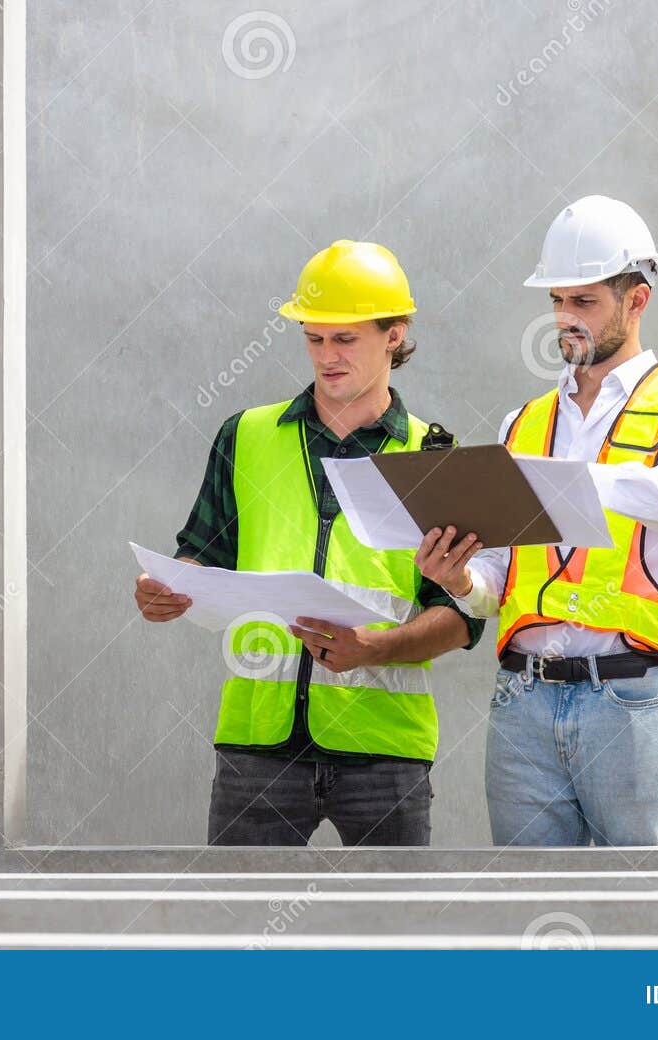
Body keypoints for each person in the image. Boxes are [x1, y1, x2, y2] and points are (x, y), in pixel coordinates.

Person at [134, 239, 484, 847]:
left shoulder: (433, 460)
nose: (327, 356)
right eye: (314, 338)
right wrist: (169, 587)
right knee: (240, 935)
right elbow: (201, 553)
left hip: (384, 749)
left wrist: (376, 648)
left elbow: (462, 619)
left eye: (345, 339)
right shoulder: (246, 436)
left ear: (395, 335)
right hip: (256, 748)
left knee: (391, 934)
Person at [418, 196, 658, 847]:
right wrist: (457, 581)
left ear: (637, 300)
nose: (565, 319)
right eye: (558, 300)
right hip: (523, 705)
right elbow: (497, 582)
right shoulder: (525, 423)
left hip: (631, 701)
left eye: (584, 302)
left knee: (648, 917)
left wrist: (581, 481)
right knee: (529, 912)